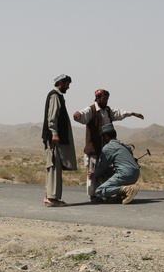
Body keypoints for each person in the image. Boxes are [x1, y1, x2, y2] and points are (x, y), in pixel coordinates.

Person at [74, 89, 144, 203]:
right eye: (104, 99)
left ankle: (111, 192)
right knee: (93, 172)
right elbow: (82, 116)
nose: (106, 101)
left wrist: (131, 114)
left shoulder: (107, 111)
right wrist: (77, 115)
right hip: (94, 149)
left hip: (106, 149)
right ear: (98, 98)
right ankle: (94, 195)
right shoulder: (91, 110)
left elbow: (119, 113)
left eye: (107, 99)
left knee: (104, 171)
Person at [42, 74, 77, 207]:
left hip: (56, 138)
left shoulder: (58, 96)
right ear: (61, 83)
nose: (68, 87)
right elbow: (52, 117)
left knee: (54, 167)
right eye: (67, 84)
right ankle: (52, 198)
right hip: (55, 139)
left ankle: (50, 196)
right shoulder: (55, 96)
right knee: (54, 167)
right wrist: (54, 133)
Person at [91, 123, 140, 204]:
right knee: (107, 172)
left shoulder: (108, 147)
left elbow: (102, 167)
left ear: (106, 136)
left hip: (125, 174)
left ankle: (127, 189)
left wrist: (94, 174)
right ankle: (120, 194)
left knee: (99, 191)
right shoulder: (123, 144)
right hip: (135, 174)